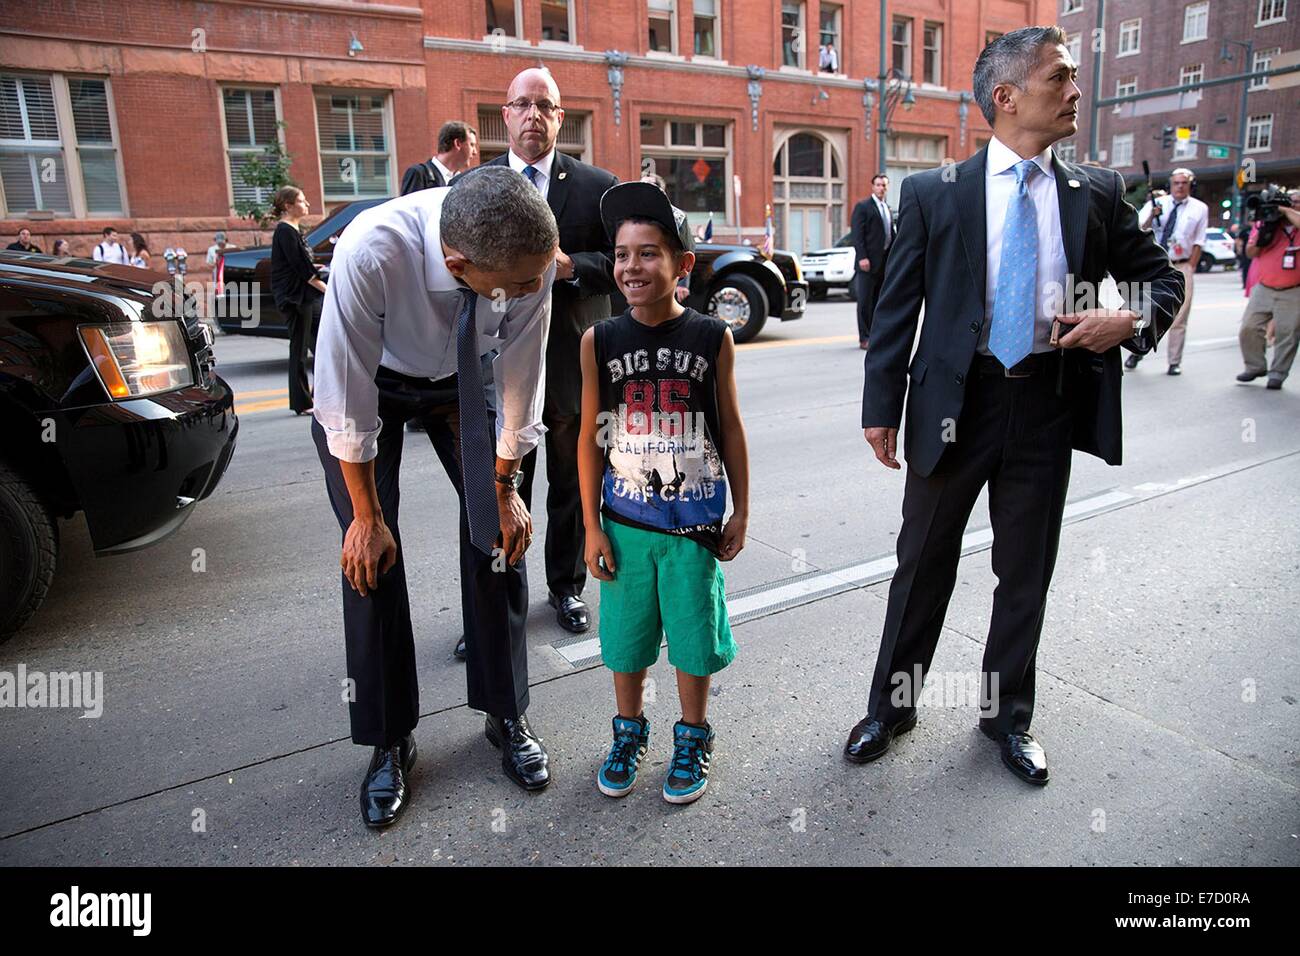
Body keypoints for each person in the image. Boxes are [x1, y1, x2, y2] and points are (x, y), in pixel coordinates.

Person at [846, 27, 1183, 786]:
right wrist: (880, 407)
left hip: (1046, 404)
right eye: (1060, 76)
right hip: (952, 407)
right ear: (1007, 97)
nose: (1074, 89)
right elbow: (898, 309)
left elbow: (1162, 279)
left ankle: (1007, 721)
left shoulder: (1094, 192)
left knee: (1024, 574)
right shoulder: (933, 194)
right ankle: (892, 709)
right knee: (921, 567)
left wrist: (1127, 321)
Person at [311, 166, 558, 827]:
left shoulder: (526, 257)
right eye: (523, 283)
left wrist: (503, 491)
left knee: (499, 541)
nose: (537, 288)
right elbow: (344, 399)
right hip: (374, 385)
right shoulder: (373, 251)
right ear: (457, 263)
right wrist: (365, 517)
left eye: (541, 275)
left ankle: (505, 714)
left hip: (460, 382)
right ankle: (389, 739)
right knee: (369, 560)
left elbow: (520, 383)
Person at [578, 181, 749, 804]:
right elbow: (589, 438)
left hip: (693, 529)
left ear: (683, 265)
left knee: (694, 639)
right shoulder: (599, 341)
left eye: (648, 253)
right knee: (625, 641)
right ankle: (629, 733)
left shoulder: (712, 338)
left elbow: (730, 426)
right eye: (622, 254)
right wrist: (593, 527)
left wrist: (741, 509)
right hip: (624, 523)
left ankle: (693, 735)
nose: (632, 266)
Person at [478, 67, 618, 646]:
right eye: (521, 104)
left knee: (568, 480)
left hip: (567, 364)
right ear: (505, 115)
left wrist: (570, 267)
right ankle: (496, 603)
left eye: (545, 106)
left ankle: (567, 587)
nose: (533, 115)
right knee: (499, 487)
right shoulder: (479, 186)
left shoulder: (595, 185)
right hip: (498, 365)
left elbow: (621, 263)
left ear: (561, 118)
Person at [1125, 168, 1208, 375]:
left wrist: (1191, 266)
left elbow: (1199, 241)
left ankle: (1174, 361)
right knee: (1143, 309)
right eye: (1176, 183)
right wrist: (1152, 216)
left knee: (1179, 316)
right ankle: (1138, 349)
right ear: (1171, 184)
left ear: (1191, 185)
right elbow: (1138, 229)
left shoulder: (1200, 208)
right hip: (1154, 263)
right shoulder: (1157, 203)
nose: (1180, 186)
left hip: (1181, 264)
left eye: (1184, 183)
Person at [270, 186, 327, 415]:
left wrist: (316, 270)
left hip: (307, 297)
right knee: (300, 350)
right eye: (302, 201)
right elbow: (301, 269)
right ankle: (302, 403)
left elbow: (302, 264)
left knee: (324, 346)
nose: (307, 205)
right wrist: (327, 288)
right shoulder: (285, 231)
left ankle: (321, 395)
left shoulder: (294, 229)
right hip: (296, 298)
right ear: (288, 205)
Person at [1235, 189, 1300, 391]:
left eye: (1297, 202)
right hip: (1264, 287)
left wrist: (1285, 210)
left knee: (1287, 333)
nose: (1294, 204)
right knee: (1248, 328)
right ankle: (1255, 367)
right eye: (1292, 201)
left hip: (1293, 289)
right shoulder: (1267, 222)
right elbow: (1250, 252)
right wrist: (1265, 233)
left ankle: (1277, 374)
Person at [850, 174, 894, 350]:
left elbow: (890, 234)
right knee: (865, 302)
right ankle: (864, 337)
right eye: (878, 184)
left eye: (884, 185)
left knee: (879, 301)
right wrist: (862, 257)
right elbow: (857, 235)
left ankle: (875, 336)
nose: (881, 188)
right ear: (872, 187)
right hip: (867, 263)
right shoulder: (863, 207)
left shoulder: (887, 208)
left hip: (883, 263)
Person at [400, 120, 478, 195]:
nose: (475, 152)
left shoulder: (463, 181)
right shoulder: (419, 174)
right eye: (471, 145)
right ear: (457, 143)